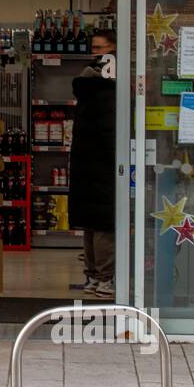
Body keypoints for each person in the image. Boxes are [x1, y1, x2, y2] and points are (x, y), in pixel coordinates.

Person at [70, 29, 117, 299]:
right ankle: (104, 279)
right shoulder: (111, 91)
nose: (97, 52)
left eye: (100, 47)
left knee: (90, 224)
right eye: (96, 48)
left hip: (84, 163)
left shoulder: (85, 83)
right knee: (104, 224)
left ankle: (91, 276)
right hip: (104, 163)